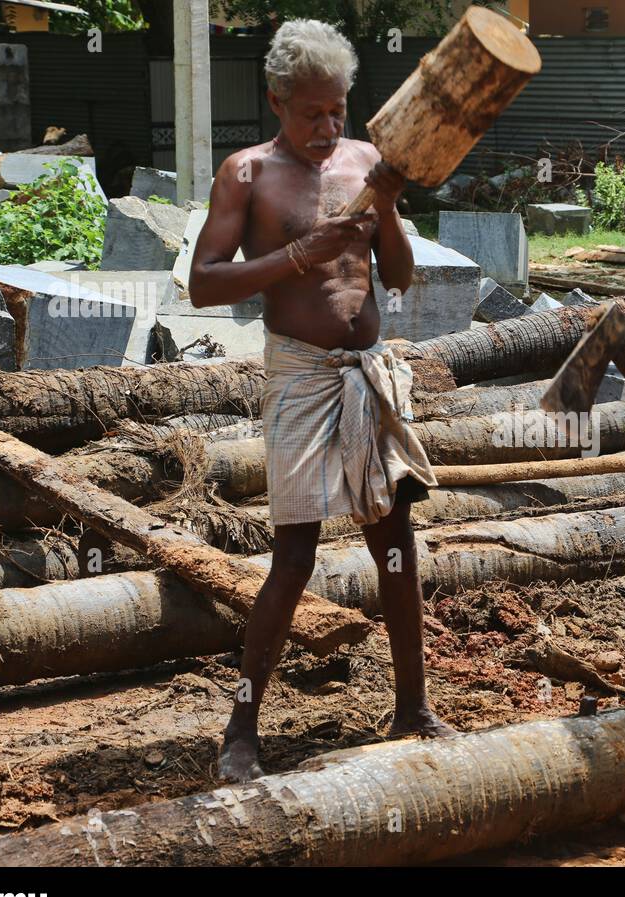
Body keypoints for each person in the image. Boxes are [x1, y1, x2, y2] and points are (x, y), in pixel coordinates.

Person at [189, 19, 455, 784]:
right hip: (301, 373)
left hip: (367, 368)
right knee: (294, 556)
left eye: (337, 110)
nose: (327, 127)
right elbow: (205, 282)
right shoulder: (247, 174)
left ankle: (412, 705)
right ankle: (241, 727)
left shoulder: (368, 163)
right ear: (276, 101)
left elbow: (399, 277)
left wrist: (391, 208)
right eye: (311, 112)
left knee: (395, 542)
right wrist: (296, 255)